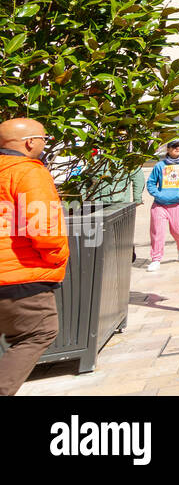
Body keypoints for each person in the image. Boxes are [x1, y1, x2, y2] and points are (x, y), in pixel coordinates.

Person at [0, 118, 69, 396]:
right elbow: (44, 227)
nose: (44, 143)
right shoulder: (28, 172)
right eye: (43, 138)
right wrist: (57, 258)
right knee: (38, 332)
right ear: (30, 142)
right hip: (21, 277)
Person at [145, 140, 179, 271]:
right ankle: (156, 259)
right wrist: (157, 195)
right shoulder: (159, 165)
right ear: (168, 149)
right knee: (157, 232)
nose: (178, 148)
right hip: (160, 204)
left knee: (178, 230)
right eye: (174, 146)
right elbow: (151, 182)